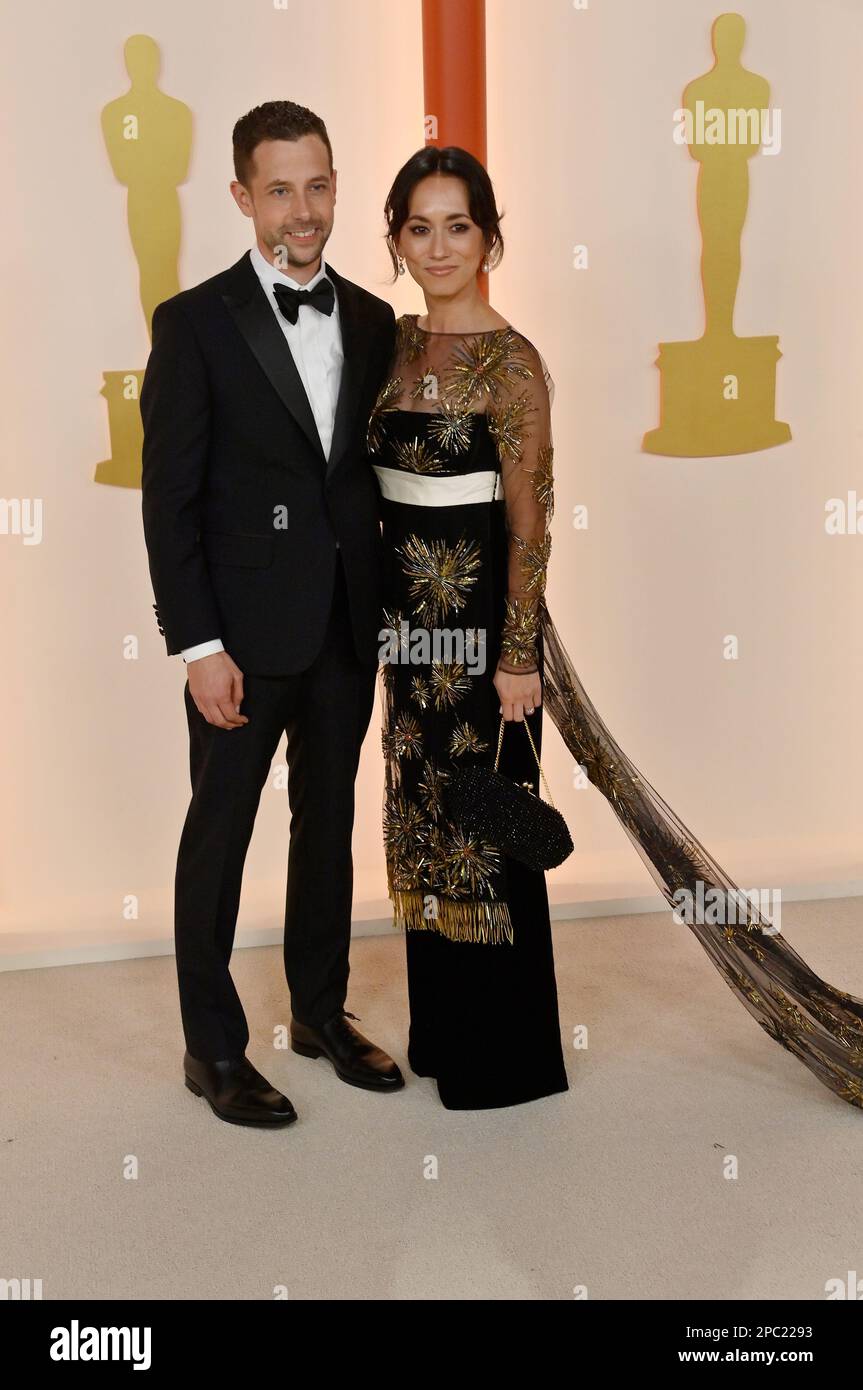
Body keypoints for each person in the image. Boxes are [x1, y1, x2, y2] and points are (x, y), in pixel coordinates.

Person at [368, 145, 863, 1113]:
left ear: (490, 238)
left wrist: (517, 657)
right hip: (404, 639)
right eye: (417, 227)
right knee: (422, 820)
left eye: (456, 225)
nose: (437, 246)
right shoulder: (391, 348)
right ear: (395, 239)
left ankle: (500, 1059)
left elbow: (528, 518)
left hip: (479, 639)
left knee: (488, 829)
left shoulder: (513, 367)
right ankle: (440, 1032)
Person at [141, 100, 404, 1128]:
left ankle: (320, 1013)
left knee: (327, 824)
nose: (304, 209)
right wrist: (199, 645)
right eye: (281, 189)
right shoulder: (195, 323)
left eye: (320, 184)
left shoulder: (374, 321)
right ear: (244, 196)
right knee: (219, 834)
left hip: (345, 624)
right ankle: (211, 1049)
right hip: (239, 641)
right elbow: (170, 502)